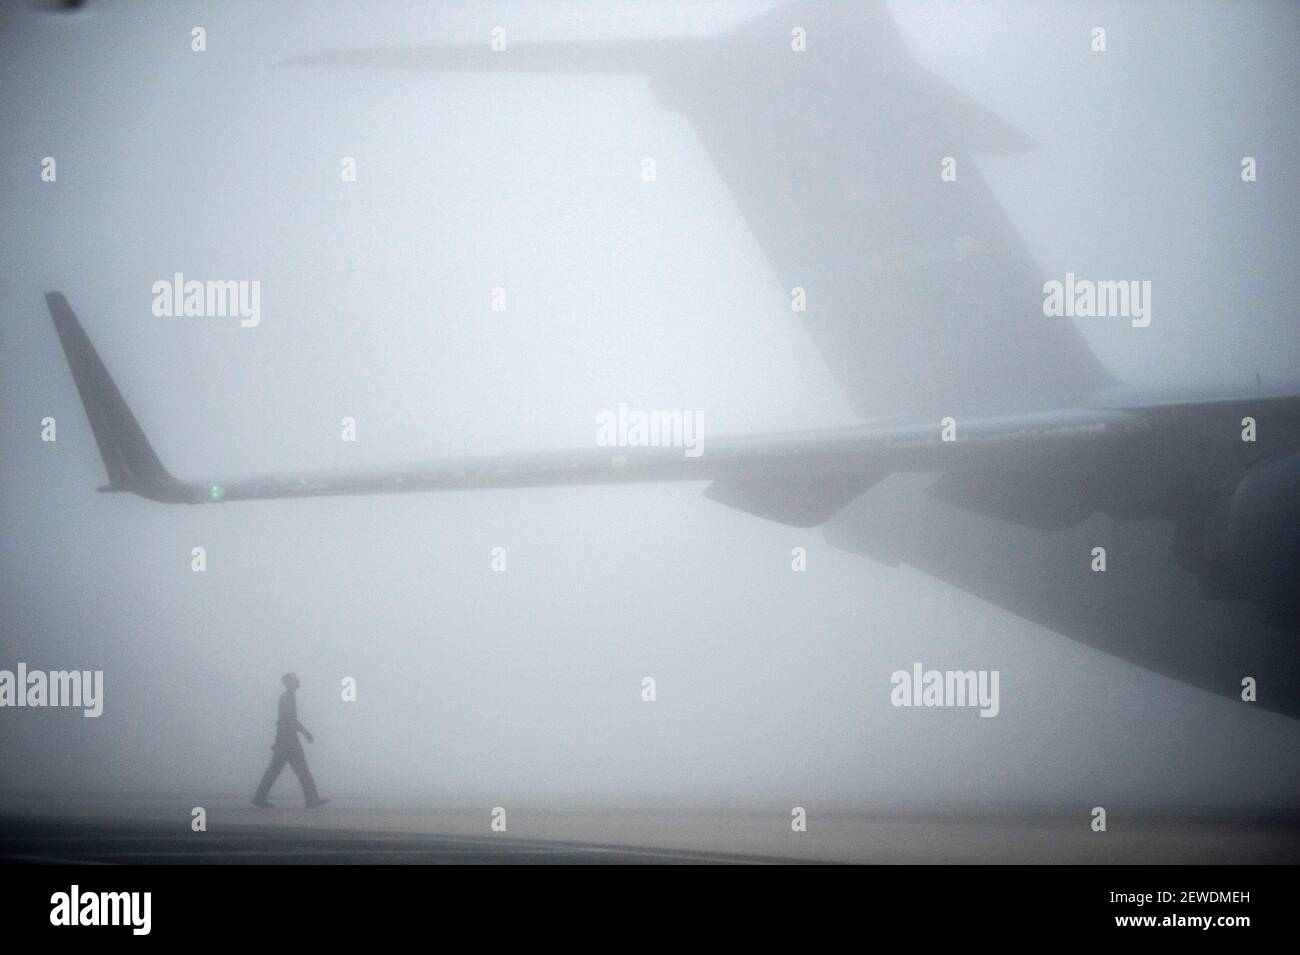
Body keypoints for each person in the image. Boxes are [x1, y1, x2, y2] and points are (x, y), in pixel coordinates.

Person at [252, 673, 328, 808]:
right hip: (289, 741)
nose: (298, 681)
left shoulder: (289, 697)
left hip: (284, 741)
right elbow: (290, 721)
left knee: (274, 771)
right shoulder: (286, 698)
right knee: (302, 771)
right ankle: (312, 799)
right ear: (289, 683)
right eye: (295, 680)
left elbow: (286, 721)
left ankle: (259, 797)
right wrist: (306, 733)